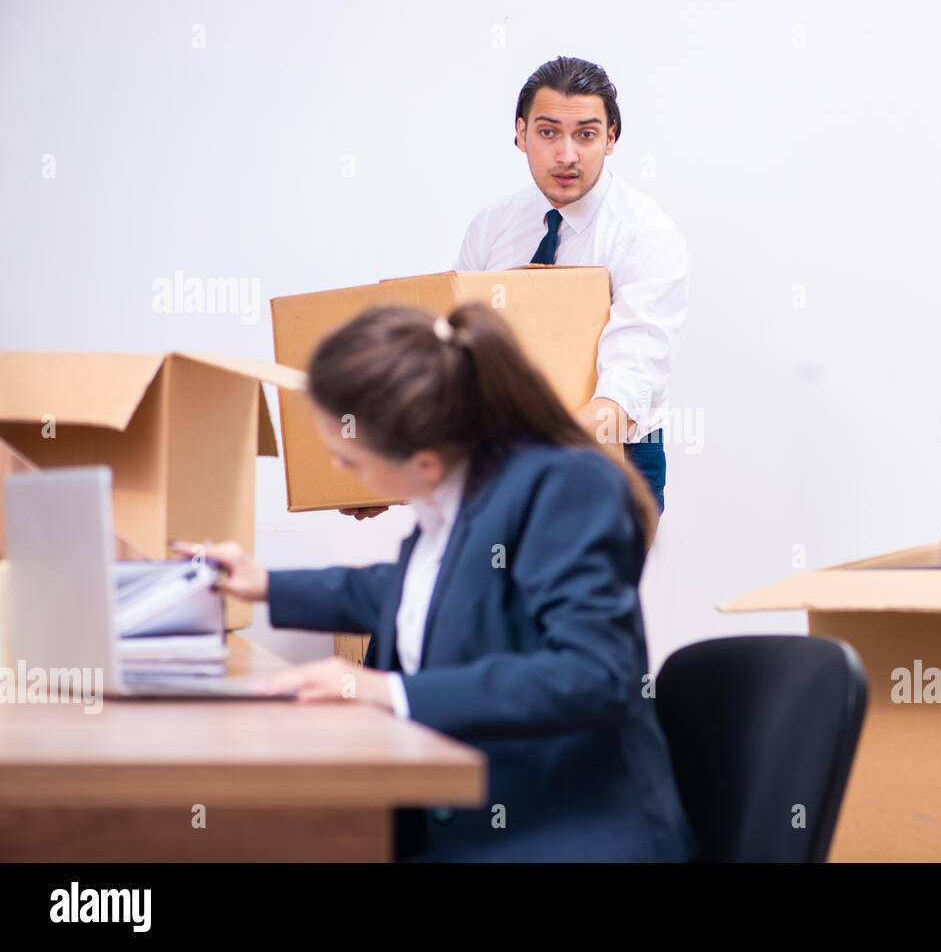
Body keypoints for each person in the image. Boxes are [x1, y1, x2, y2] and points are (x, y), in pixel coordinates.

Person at [170, 302, 698, 862]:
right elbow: (417, 593)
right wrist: (266, 583)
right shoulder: (461, 493)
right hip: (462, 820)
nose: (344, 472)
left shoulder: (566, 485)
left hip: (558, 836)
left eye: (349, 460)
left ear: (423, 461)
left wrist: (382, 690)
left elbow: (594, 673)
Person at [343, 55, 688, 521]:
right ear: (521, 134)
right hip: (503, 454)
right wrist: (395, 467)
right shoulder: (493, 227)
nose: (567, 155)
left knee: (573, 593)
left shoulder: (645, 235)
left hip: (613, 454)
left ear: (610, 139)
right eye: (548, 133)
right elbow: (453, 361)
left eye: (585, 134)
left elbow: (626, 394)